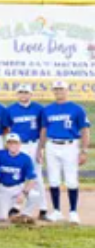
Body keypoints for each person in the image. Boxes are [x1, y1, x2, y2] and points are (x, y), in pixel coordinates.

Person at [39, 81, 89, 224]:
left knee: (71, 180)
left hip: (70, 145)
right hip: (52, 145)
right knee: (53, 179)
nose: (59, 92)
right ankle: (56, 211)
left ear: (67, 90)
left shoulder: (77, 109)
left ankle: (73, 212)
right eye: (56, 89)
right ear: (53, 91)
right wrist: (40, 148)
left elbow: (85, 130)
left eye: (61, 89)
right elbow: (43, 130)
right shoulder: (47, 109)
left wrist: (84, 151)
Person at [7, 84, 48, 220]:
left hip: (34, 143)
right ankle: (16, 206)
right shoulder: (11, 109)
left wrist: (41, 148)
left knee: (37, 177)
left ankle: (43, 208)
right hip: (18, 145)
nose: (23, 95)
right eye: (21, 92)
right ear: (17, 94)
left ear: (31, 94)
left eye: (26, 92)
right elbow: (7, 128)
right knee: (18, 175)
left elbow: (43, 129)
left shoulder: (38, 108)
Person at [0, 133, 41, 224]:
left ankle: (25, 215)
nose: (13, 145)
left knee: (35, 195)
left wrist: (24, 193)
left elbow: (32, 179)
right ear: (6, 144)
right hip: (3, 188)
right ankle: (14, 209)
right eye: (10, 143)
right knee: (2, 217)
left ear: (20, 144)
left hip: (18, 187)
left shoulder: (25, 158)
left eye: (15, 143)